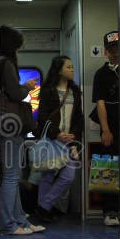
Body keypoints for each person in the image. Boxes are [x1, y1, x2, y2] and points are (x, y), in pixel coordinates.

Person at [0, 25, 44, 236]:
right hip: (11, 123)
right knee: (11, 176)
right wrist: (29, 86)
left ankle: (20, 220)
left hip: (3, 121)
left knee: (11, 175)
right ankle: (9, 224)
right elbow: (15, 93)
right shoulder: (6, 64)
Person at [32, 56, 83, 224]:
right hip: (54, 138)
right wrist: (57, 133)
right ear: (59, 70)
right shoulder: (48, 91)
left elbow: (78, 118)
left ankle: (43, 207)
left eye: (72, 67)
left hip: (69, 140)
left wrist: (73, 136)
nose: (72, 70)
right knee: (47, 176)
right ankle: (43, 211)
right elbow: (44, 117)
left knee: (68, 177)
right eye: (68, 67)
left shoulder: (75, 92)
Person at [92, 30, 120, 226]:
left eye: (118, 48)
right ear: (106, 52)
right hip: (111, 124)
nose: (115, 52)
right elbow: (100, 103)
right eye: (111, 49)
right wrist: (105, 129)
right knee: (109, 168)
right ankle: (109, 211)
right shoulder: (101, 74)